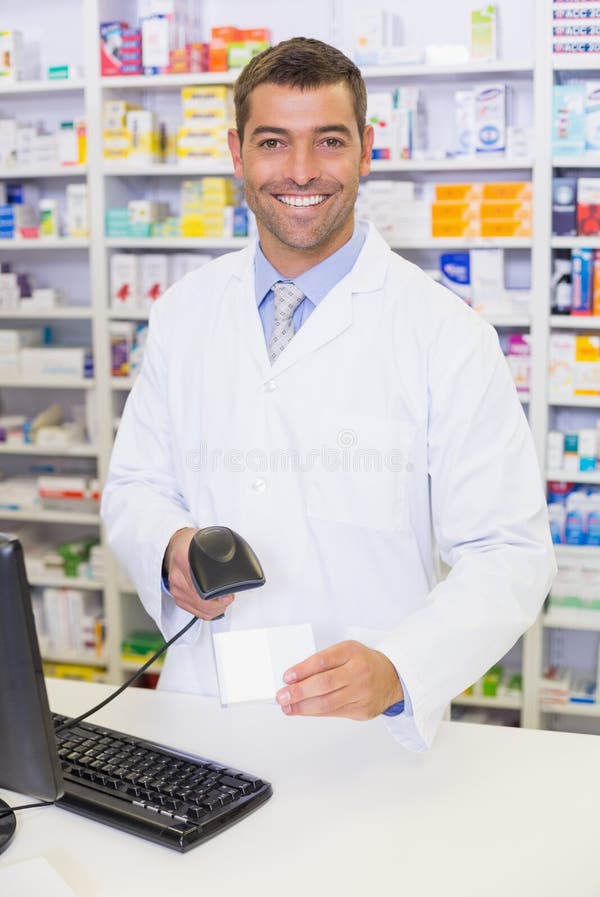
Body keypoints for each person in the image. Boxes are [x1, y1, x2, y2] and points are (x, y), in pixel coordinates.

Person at [101, 37, 556, 751]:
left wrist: (401, 667)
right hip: (202, 714)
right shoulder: (184, 311)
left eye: (330, 141)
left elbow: (509, 552)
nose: (301, 170)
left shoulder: (446, 334)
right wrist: (168, 551)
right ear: (237, 153)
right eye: (273, 142)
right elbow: (136, 485)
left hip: (360, 736)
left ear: (367, 150)